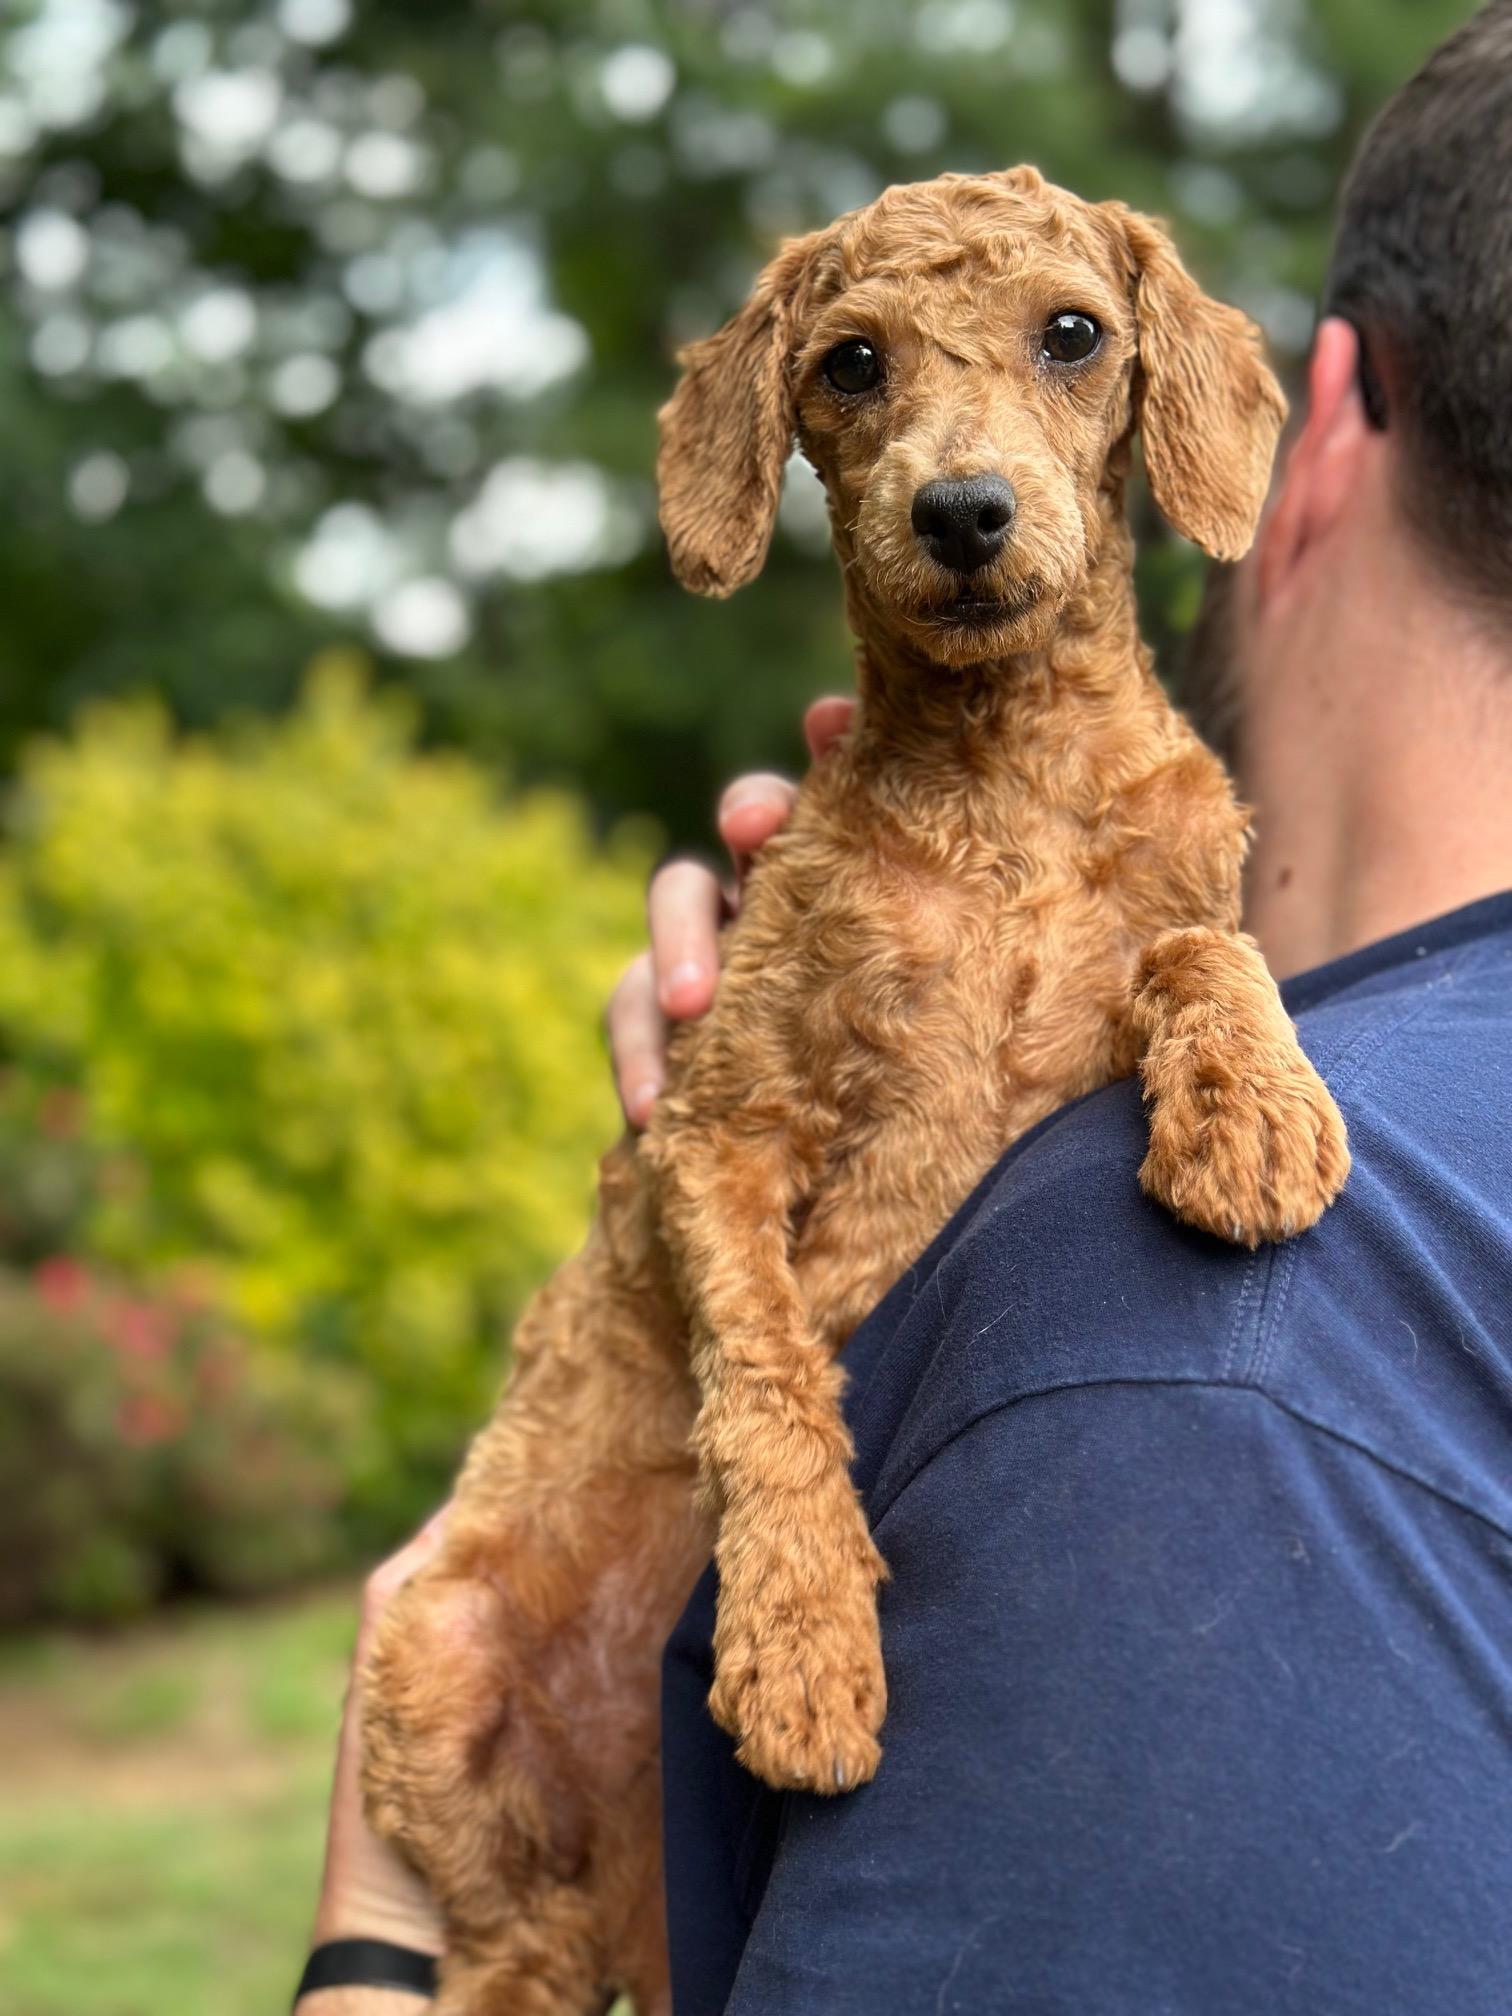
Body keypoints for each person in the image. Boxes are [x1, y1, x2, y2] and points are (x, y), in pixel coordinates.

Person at [297, 6, 1512, 2009]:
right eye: (859, 375)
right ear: (789, 434)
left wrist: (368, 1941)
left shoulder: (1185, 1369)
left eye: (1062, 345)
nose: (964, 464)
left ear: (1298, 428)